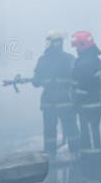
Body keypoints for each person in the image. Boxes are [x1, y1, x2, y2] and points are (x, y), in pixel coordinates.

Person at [31, 30, 80, 159]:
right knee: (71, 128)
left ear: (52, 43)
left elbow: (36, 82)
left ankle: (50, 155)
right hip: (65, 100)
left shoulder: (42, 60)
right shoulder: (70, 59)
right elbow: (77, 78)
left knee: (49, 130)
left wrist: (38, 80)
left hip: (48, 102)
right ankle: (76, 153)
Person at [71, 31, 101, 166]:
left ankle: (93, 162)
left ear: (82, 45)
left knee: (91, 133)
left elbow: (79, 84)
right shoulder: (96, 61)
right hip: (96, 102)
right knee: (89, 131)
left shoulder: (84, 63)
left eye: (77, 46)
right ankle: (87, 156)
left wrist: (74, 97)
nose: (76, 49)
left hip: (87, 104)